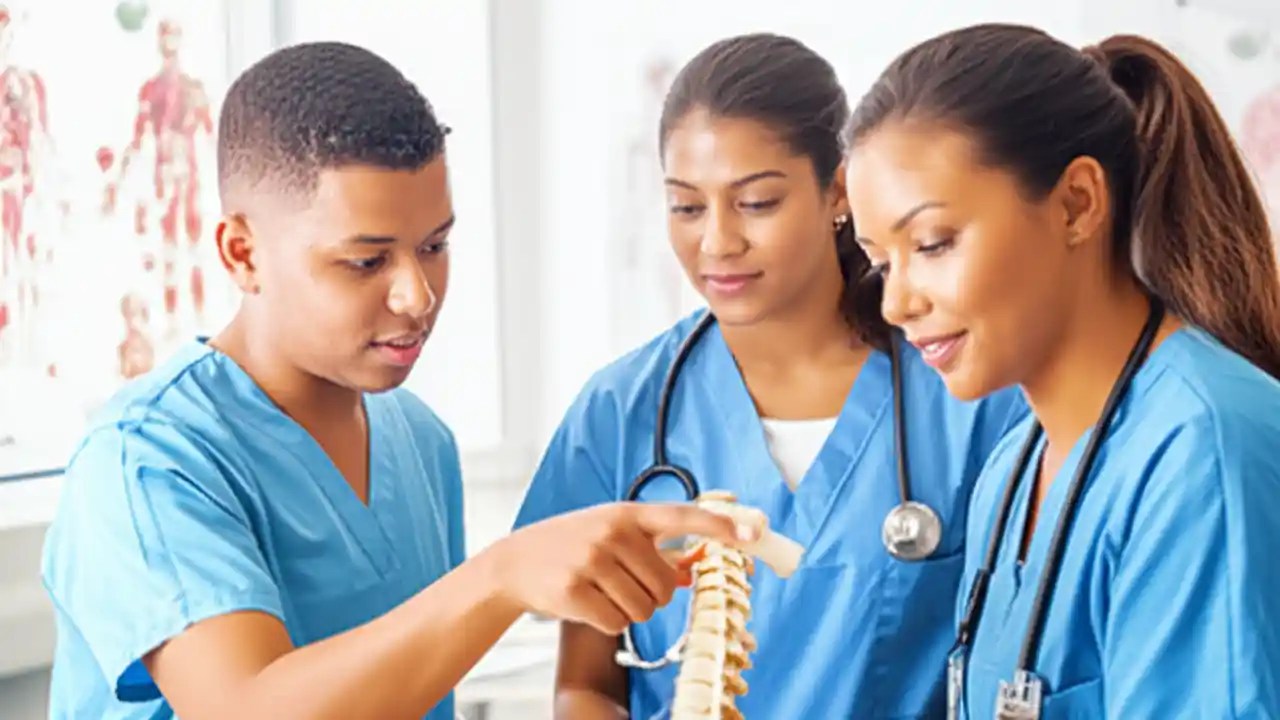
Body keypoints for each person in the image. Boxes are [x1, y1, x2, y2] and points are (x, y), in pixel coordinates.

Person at [39, 41, 756, 720]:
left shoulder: (419, 442)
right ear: (242, 253)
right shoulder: (146, 461)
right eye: (365, 261)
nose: (418, 294)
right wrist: (502, 576)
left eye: (434, 246)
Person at [514, 33, 1028, 719]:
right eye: (687, 206)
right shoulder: (620, 413)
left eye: (756, 203)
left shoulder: (968, 395)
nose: (717, 242)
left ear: (838, 190)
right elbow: (586, 684)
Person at [844, 23, 1280, 719]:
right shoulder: (1010, 475)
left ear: (1077, 203)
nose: (897, 303)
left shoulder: (1206, 451)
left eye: (932, 243)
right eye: (880, 261)